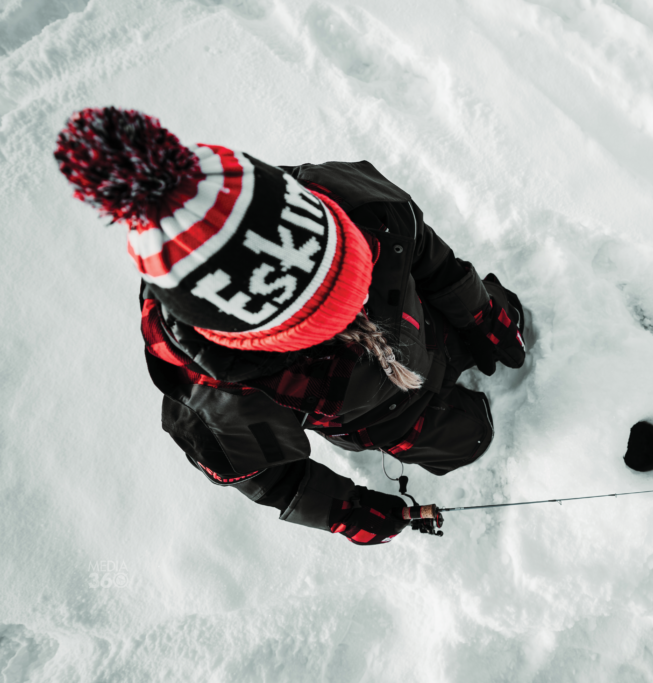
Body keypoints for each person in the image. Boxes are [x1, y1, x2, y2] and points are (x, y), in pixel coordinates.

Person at [54, 107, 527, 546]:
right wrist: (349, 512)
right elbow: (270, 477)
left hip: (423, 321)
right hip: (374, 411)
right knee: (468, 438)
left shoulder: (356, 202)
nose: (361, 303)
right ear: (267, 337)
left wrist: (482, 313)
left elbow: (427, 255)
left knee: (492, 330)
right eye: (334, 317)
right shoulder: (213, 390)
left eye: (357, 272)